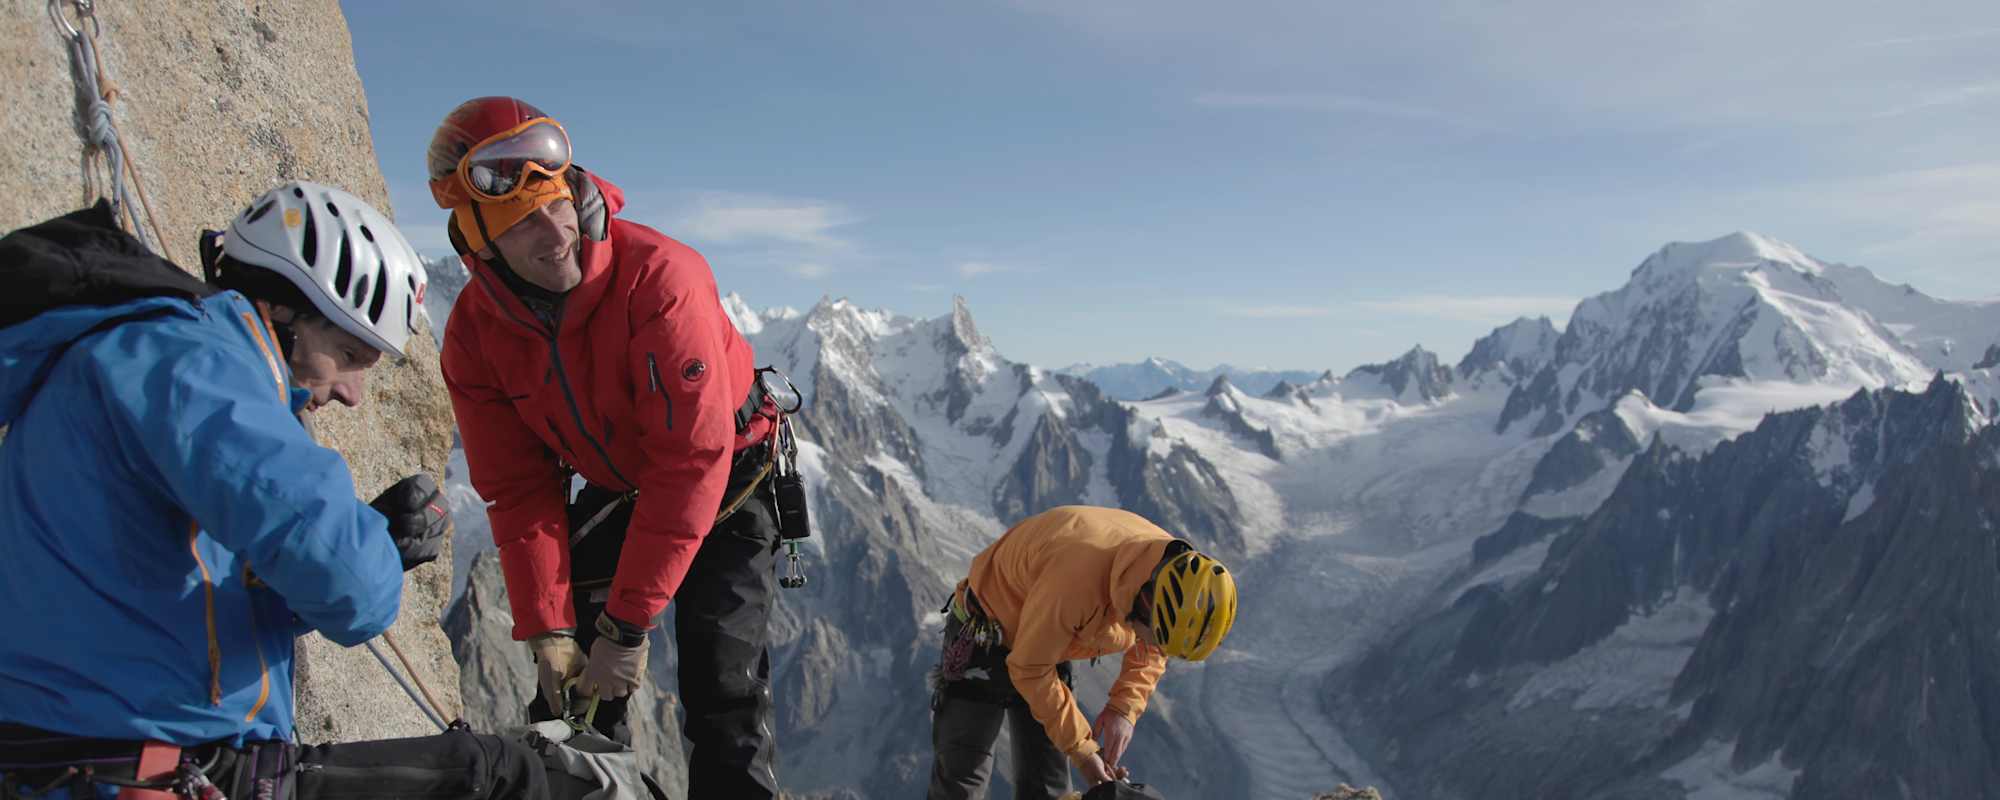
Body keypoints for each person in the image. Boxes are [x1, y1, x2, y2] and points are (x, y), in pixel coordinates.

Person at [0, 183, 548, 800]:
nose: (352, 394)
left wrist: (380, 546)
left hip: (108, 756)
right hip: (146, 765)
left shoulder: (146, 355)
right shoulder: (192, 364)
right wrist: (373, 544)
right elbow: (355, 590)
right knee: (511, 775)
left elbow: (203, 599)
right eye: (349, 354)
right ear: (282, 311)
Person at [426, 96, 785, 798]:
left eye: (557, 206)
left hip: (731, 475)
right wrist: (548, 629)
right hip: (626, 487)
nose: (554, 233)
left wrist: (625, 628)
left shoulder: (661, 277)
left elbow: (690, 462)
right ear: (479, 241)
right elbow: (517, 489)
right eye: (523, 222)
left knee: (724, 689)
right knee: (565, 700)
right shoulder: (474, 335)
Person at [927, 505, 1240, 800]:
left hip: (1051, 639)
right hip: (986, 633)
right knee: (962, 782)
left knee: (1048, 786)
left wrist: (1124, 708)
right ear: (1144, 606)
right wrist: (1083, 750)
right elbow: (1029, 668)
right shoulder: (1076, 580)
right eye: (1157, 639)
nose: (1158, 650)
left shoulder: (1160, 568)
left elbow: (1153, 645)